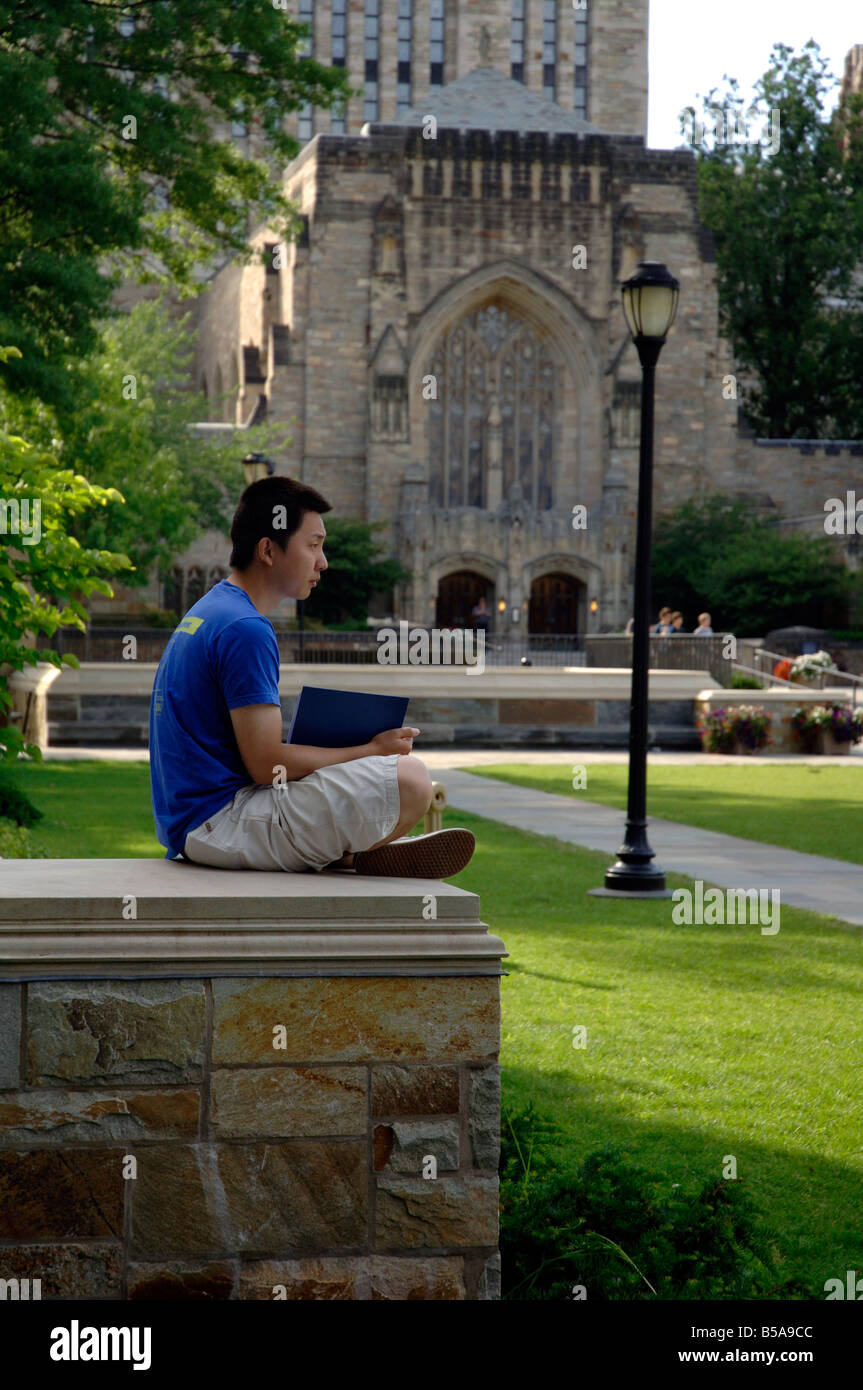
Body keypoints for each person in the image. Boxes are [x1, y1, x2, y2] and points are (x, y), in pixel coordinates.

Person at [149, 474, 475, 878]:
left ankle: (343, 851)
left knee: (384, 773)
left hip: (194, 824)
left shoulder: (211, 610)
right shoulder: (244, 628)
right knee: (411, 780)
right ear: (268, 550)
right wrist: (371, 750)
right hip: (223, 824)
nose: (323, 562)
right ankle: (348, 852)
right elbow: (266, 765)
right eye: (313, 545)